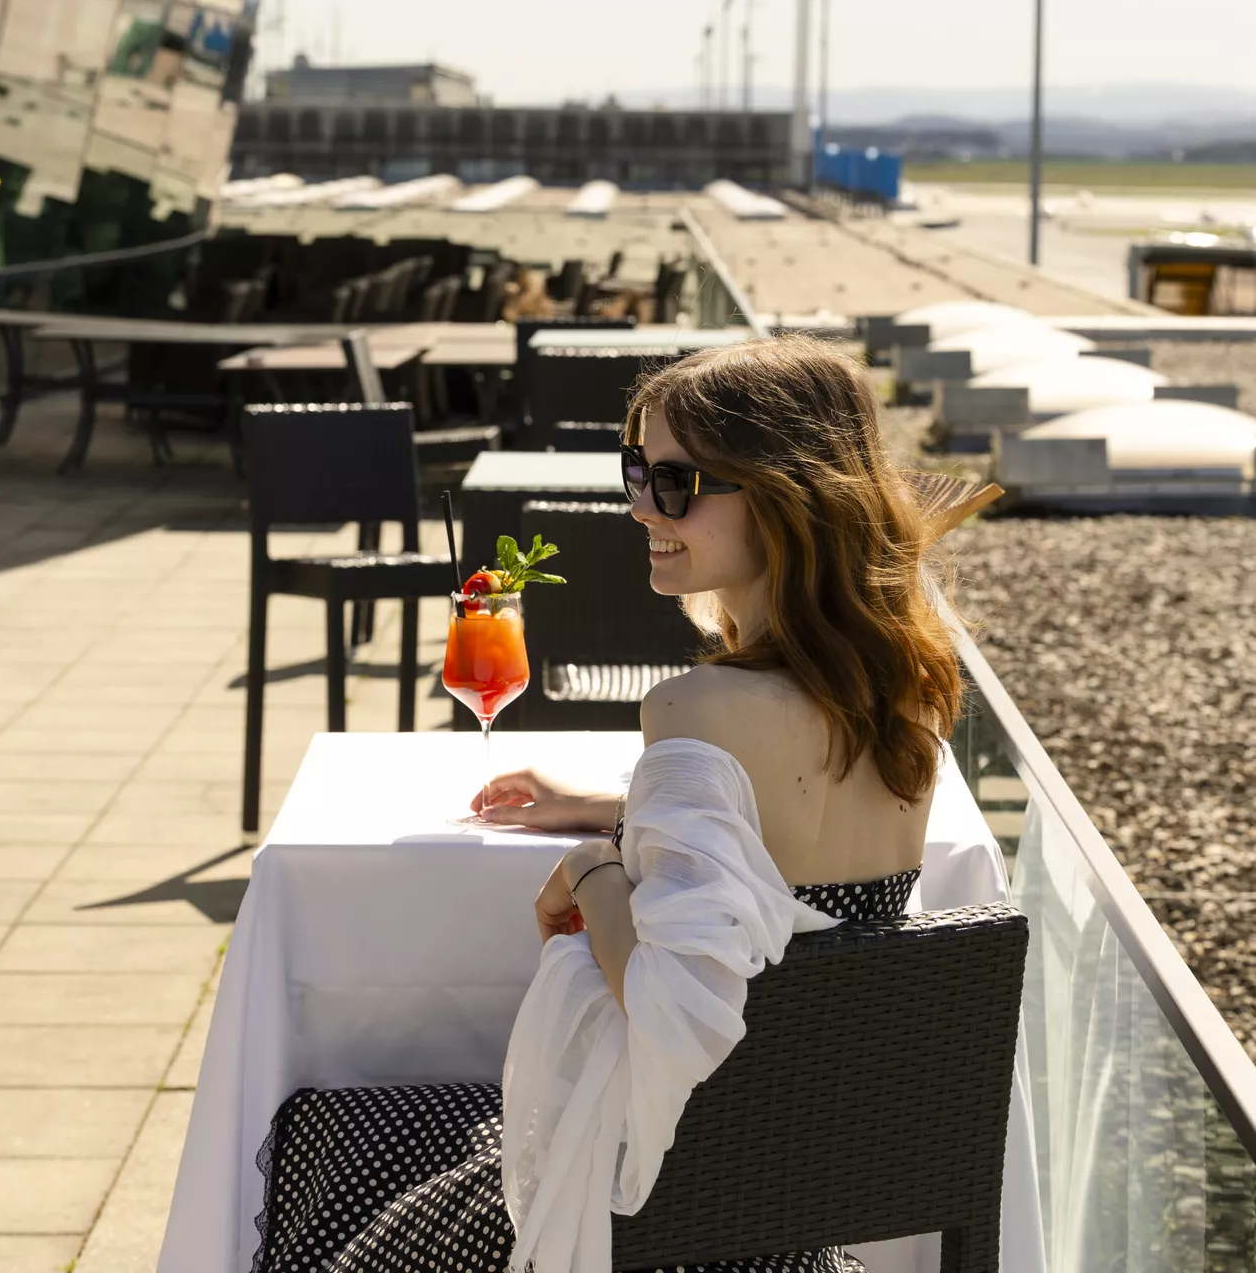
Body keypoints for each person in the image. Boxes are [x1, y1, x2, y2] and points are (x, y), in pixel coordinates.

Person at [255, 337, 963, 1273]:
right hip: (781, 1200)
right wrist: (624, 809)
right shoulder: (905, 691)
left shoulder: (698, 708)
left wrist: (594, 871)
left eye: (675, 484)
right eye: (636, 472)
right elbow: (788, 872)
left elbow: (678, 1011)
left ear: (786, 497)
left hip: (648, 1209)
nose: (640, 508)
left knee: (329, 1132)